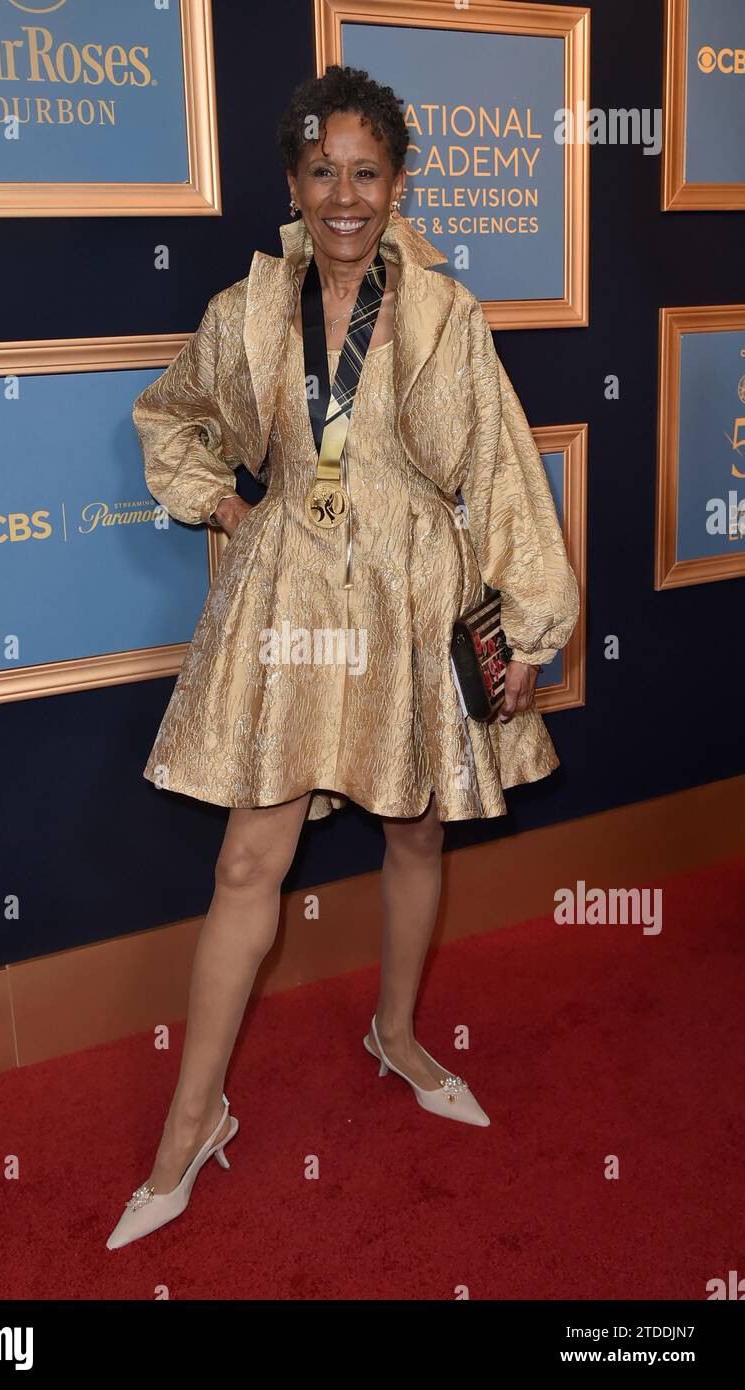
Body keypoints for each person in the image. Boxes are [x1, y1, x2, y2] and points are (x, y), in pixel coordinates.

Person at [106, 65, 580, 1250]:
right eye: (322, 170)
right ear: (294, 180)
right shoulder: (247, 310)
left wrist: (527, 626)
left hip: (415, 600)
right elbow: (172, 417)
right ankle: (190, 1121)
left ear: (396, 179)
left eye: (366, 172)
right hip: (289, 601)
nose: (344, 194)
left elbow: (500, 471)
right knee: (245, 862)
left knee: (414, 826)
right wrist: (224, 506)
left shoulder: (440, 312)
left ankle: (397, 1032)